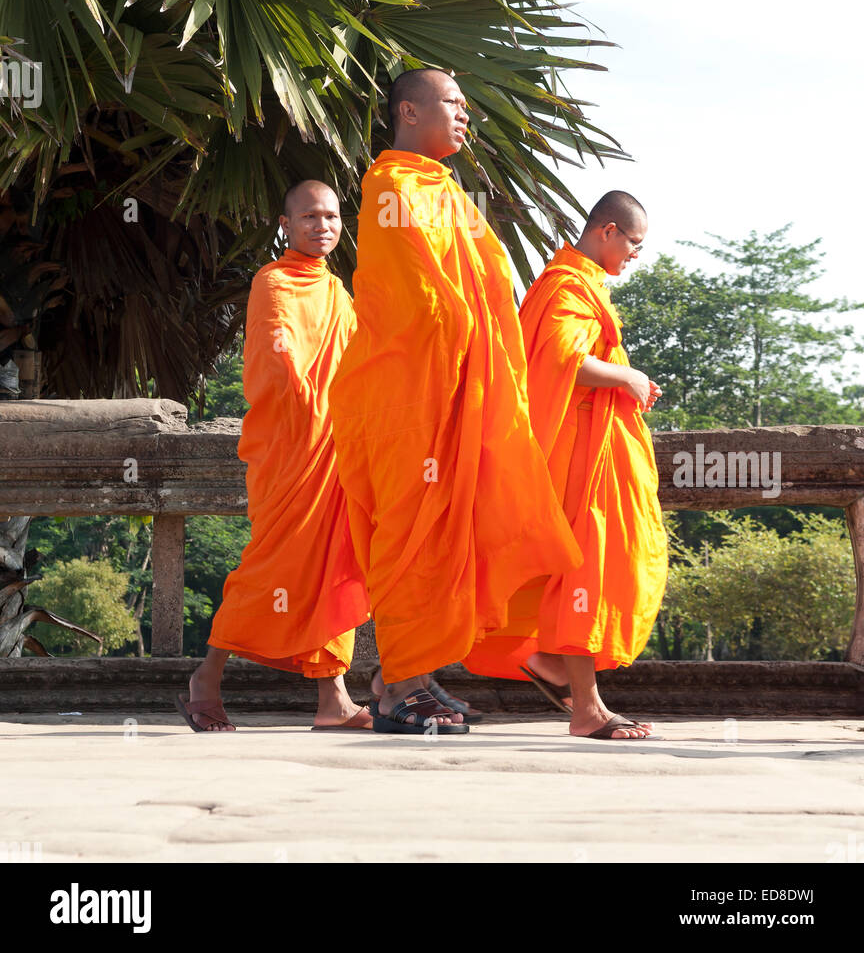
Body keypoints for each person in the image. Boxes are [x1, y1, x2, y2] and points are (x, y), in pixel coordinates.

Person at [329, 68, 582, 734]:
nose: (467, 116)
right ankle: (396, 688)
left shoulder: (447, 193)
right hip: (406, 398)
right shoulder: (389, 185)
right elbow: (412, 295)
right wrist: (469, 344)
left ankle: (404, 676)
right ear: (409, 111)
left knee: (452, 534)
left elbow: (481, 292)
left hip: (452, 394)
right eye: (454, 104)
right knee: (411, 537)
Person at [463, 191, 668, 739]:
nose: (634, 256)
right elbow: (561, 360)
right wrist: (627, 377)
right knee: (583, 564)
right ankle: (587, 707)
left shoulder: (581, 284)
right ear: (606, 231)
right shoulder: (567, 285)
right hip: (575, 455)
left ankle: (553, 663)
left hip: (589, 450)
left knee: (566, 567)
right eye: (634, 244)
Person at [175, 181, 372, 733]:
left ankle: (333, 699)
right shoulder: (274, 280)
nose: (323, 226)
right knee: (271, 565)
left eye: (332, 217)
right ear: (285, 225)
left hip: (338, 449)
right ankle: (206, 677)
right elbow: (278, 349)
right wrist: (312, 410)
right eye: (309, 216)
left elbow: (360, 361)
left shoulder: (338, 293)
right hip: (292, 448)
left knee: (334, 564)